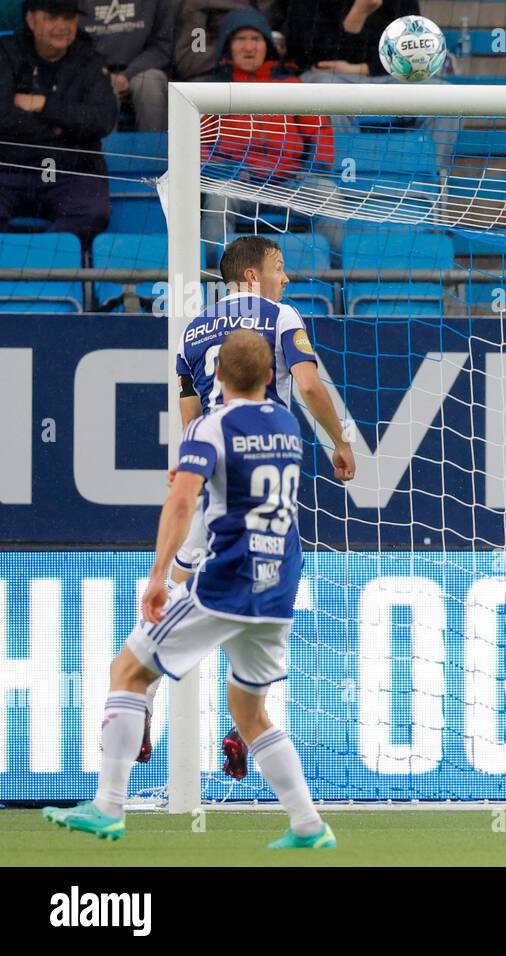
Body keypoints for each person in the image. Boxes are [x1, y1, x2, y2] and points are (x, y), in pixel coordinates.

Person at [44, 330, 337, 849]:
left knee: (127, 671)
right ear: (272, 376)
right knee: (248, 710)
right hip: (280, 582)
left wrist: (158, 577)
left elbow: (182, 504)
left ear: (217, 375)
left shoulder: (209, 426)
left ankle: (109, 806)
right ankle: (308, 823)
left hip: (228, 577)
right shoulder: (289, 425)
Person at [137, 235, 355, 776]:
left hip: (211, 468)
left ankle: (139, 696)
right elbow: (308, 385)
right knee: (268, 580)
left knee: (177, 585)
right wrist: (339, 440)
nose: (288, 278)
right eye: (280, 268)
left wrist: (194, 461)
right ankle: (244, 722)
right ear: (253, 277)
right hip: (258, 469)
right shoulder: (280, 316)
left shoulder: (190, 332)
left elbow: (191, 418)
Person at [199, 8, 338, 261]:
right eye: (240, 39)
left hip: (291, 183)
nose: (249, 47)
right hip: (238, 184)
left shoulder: (292, 86)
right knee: (218, 196)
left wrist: (314, 167)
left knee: (328, 193)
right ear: (227, 46)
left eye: (256, 39)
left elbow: (320, 132)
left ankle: (339, 279)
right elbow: (199, 143)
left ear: (267, 45)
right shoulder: (212, 89)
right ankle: (212, 279)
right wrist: (220, 170)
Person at [0, 0, 116, 246]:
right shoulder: (6, 53)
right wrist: (62, 128)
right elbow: (3, 117)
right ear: (31, 20)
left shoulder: (91, 60)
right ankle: (13, 258)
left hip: (72, 170)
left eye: (69, 18)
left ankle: (39, 258)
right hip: (10, 168)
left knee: (94, 212)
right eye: (52, 18)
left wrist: (43, 105)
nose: (62, 26)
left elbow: (102, 120)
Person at [78, 0, 172, 131]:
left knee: (151, 84)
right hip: (96, 71)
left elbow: (162, 45)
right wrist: (98, 70)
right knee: (103, 86)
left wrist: (127, 74)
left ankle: (153, 149)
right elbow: (73, 43)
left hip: (141, 70)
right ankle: (102, 150)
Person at [285, 0, 417, 81]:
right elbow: (316, 58)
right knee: (326, 88)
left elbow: (412, 50)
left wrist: (363, 69)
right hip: (331, 78)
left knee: (434, 87)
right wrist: (359, 13)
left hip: (390, 75)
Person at [173, 0, 283, 81]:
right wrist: (230, 51)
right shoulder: (202, 4)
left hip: (277, 73)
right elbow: (191, 58)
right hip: (221, 78)